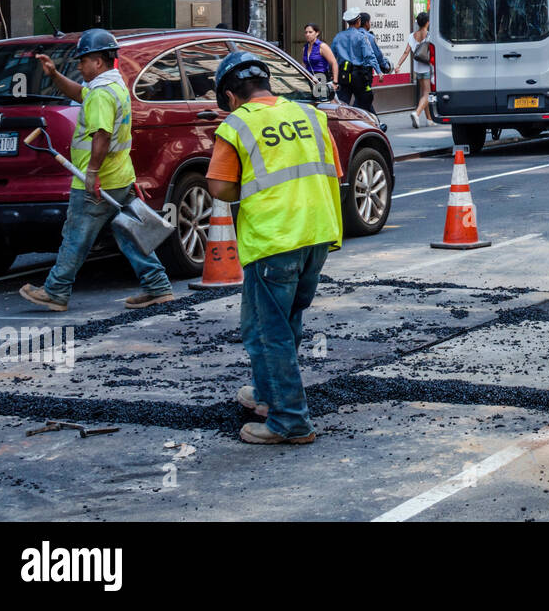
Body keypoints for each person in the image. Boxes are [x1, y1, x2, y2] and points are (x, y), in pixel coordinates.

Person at [206, 51, 343, 445]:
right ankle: (267, 394)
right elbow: (333, 169)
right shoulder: (311, 115)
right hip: (316, 234)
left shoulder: (238, 124)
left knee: (267, 332)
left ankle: (289, 420)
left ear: (230, 96)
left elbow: (219, 186)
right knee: (288, 323)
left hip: (274, 239)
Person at [20, 29, 174, 312]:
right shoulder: (112, 85)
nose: (79, 66)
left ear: (98, 62)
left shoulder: (102, 93)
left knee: (76, 236)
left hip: (97, 180)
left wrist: (91, 173)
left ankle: (56, 290)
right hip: (119, 176)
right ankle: (157, 285)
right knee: (129, 231)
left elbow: (101, 135)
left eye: (83, 60)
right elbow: (80, 93)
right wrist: (54, 75)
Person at [348, 12, 391, 116]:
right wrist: (385, 67)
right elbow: (377, 55)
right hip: (364, 74)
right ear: (366, 23)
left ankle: (377, 124)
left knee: (362, 98)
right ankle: (376, 125)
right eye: (370, 22)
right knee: (363, 99)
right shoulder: (368, 37)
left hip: (350, 73)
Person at [394, 11, 432, 128]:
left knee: (423, 93)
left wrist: (398, 64)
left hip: (417, 68)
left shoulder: (412, 36)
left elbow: (406, 52)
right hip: (427, 67)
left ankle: (429, 119)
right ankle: (416, 113)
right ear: (427, 22)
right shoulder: (430, 35)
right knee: (427, 94)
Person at [329, 7, 360, 105]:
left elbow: (331, 57)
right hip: (358, 74)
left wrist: (332, 75)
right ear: (358, 21)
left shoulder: (338, 36)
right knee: (363, 102)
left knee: (342, 102)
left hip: (343, 74)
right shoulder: (361, 36)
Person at [301, 22, 338, 90]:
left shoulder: (322, 46)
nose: (307, 34)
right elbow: (304, 64)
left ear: (317, 33)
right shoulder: (305, 47)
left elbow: (334, 62)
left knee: (321, 99)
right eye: (306, 32)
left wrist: (335, 82)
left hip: (321, 78)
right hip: (309, 78)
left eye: (310, 32)